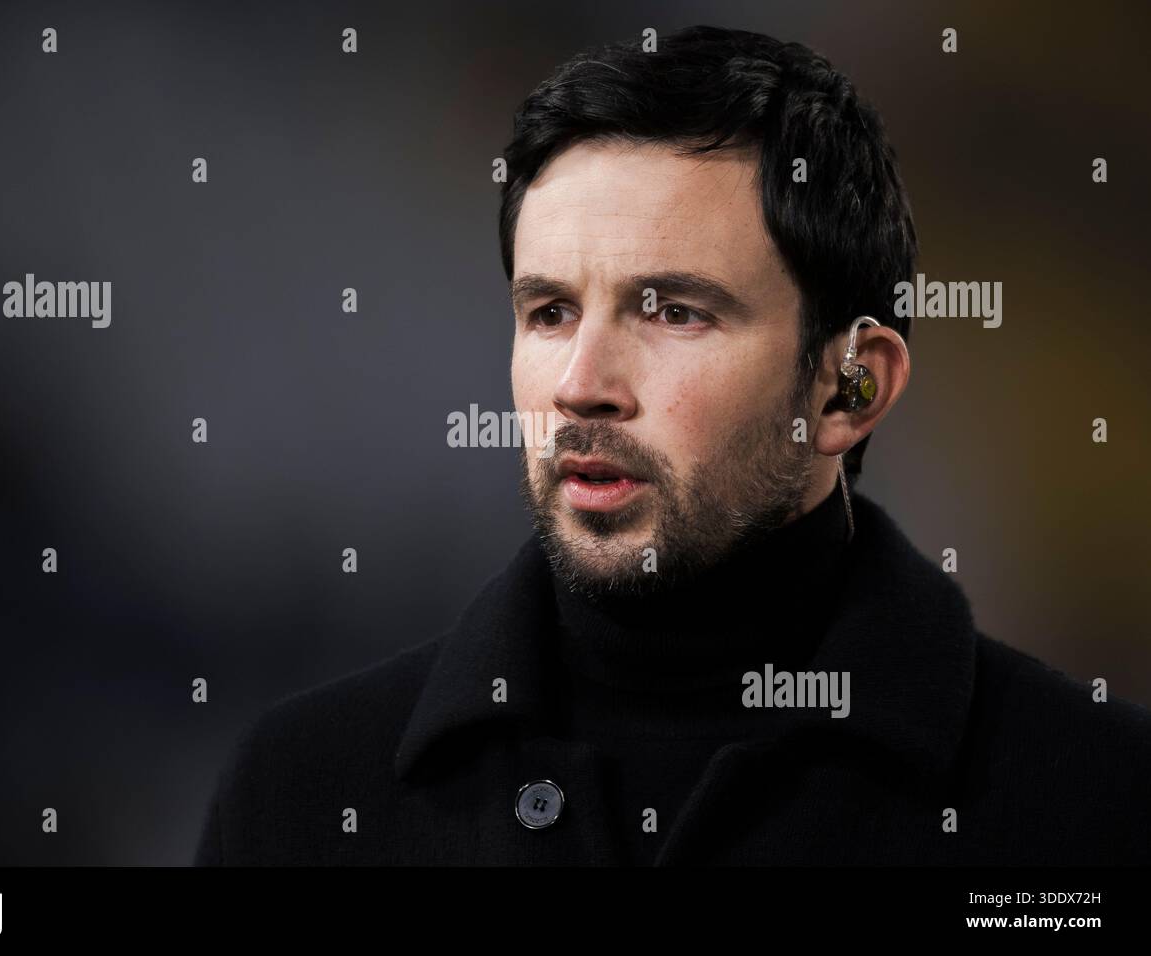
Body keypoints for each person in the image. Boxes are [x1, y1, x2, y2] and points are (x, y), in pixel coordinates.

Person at [194, 25, 1151, 866]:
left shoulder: (1097, 801)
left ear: (848, 387)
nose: (582, 384)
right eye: (550, 311)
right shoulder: (304, 794)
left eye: (675, 313)